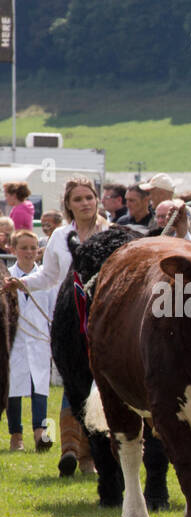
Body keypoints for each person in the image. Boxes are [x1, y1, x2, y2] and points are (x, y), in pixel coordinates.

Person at [3, 177, 111, 476]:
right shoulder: (60, 237)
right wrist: (21, 284)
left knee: (100, 388)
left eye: (89, 197)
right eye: (78, 199)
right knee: (73, 384)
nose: (85, 203)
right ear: (68, 205)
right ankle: (70, 450)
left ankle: (89, 457)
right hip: (70, 318)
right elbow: (49, 276)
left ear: (97, 199)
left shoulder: (110, 233)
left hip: (105, 318)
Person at [6, 230, 56, 452]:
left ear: (38, 251)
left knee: (40, 386)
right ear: (13, 249)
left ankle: (40, 432)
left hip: (39, 341)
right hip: (14, 341)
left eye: (32, 248)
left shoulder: (47, 278)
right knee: (13, 388)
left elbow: (53, 311)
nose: (28, 252)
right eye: (23, 248)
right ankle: (16, 435)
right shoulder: (5, 277)